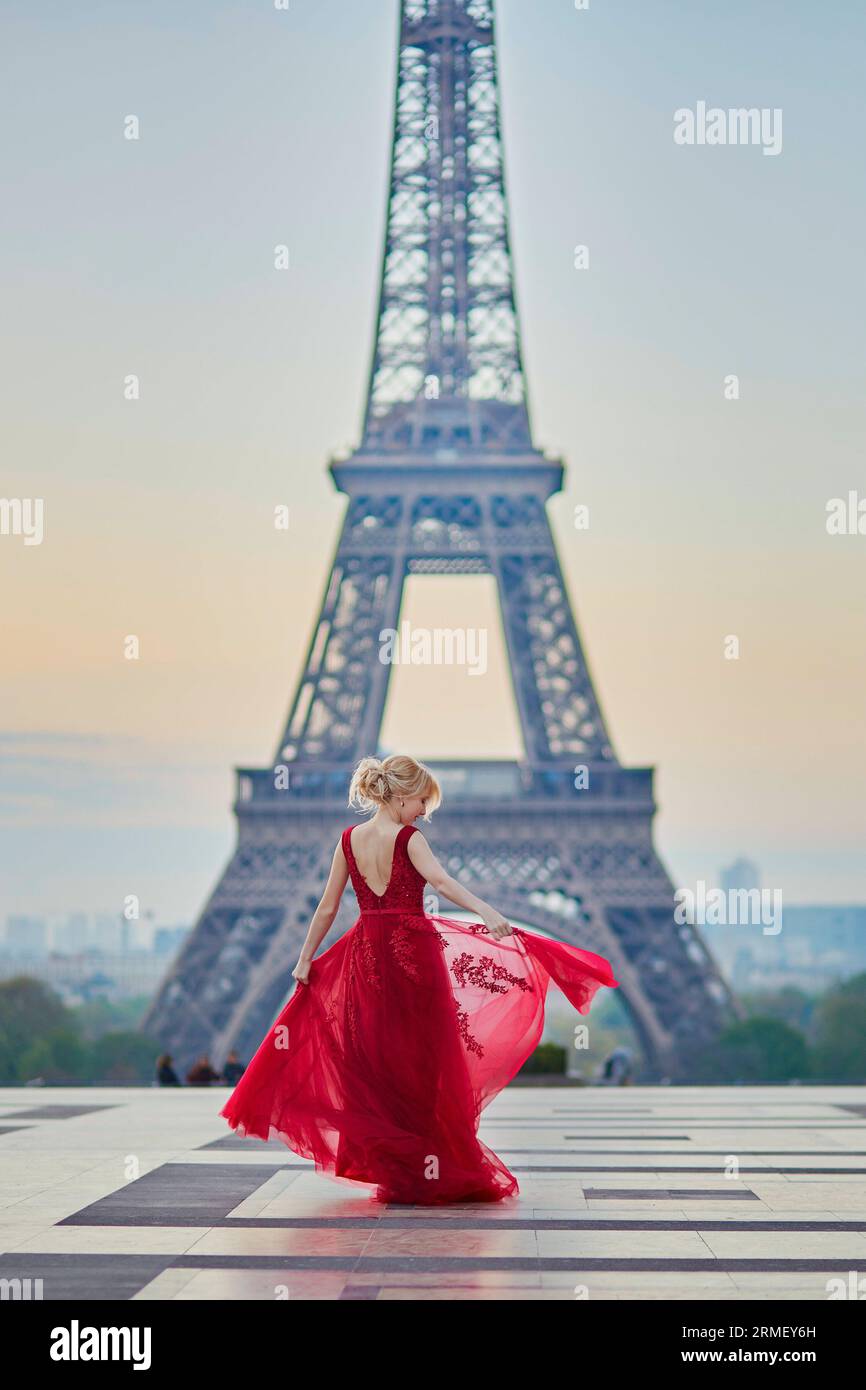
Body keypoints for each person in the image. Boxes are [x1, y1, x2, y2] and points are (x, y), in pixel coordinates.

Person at [221, 753, 619, 1204]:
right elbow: (444, 884)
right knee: (425, 1063)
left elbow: (328, 908)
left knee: (378, 1061)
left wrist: (305, 959)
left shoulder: (349, 840)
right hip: (412, 956)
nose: (424, 813)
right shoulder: (409, 839)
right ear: (403, 795)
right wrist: (487, 911)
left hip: (366, 957)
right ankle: (424, 1165)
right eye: (422, 803)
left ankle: (398, 1167)